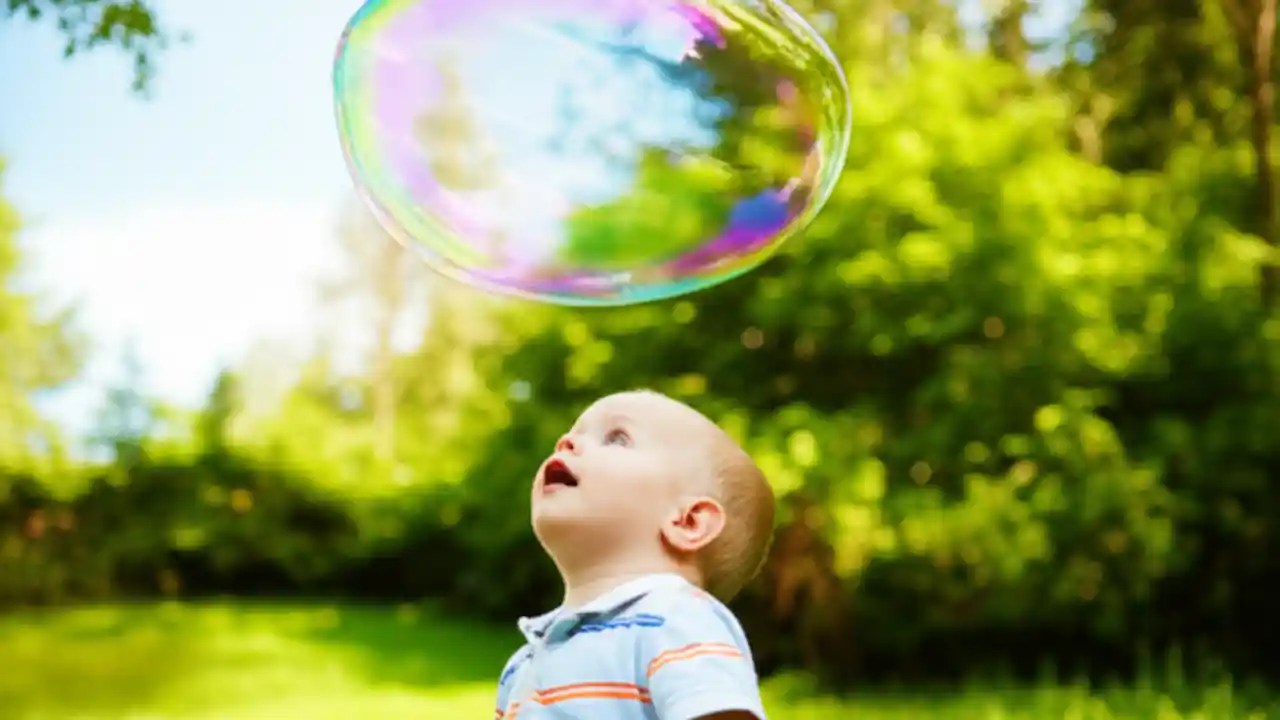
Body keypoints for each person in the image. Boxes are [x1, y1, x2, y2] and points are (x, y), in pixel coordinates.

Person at [495, 389, 776, 719]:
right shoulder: (523, 664)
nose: (566, 442)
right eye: (571, 433)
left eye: (617, 438)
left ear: (687, 521)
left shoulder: (676, 621)